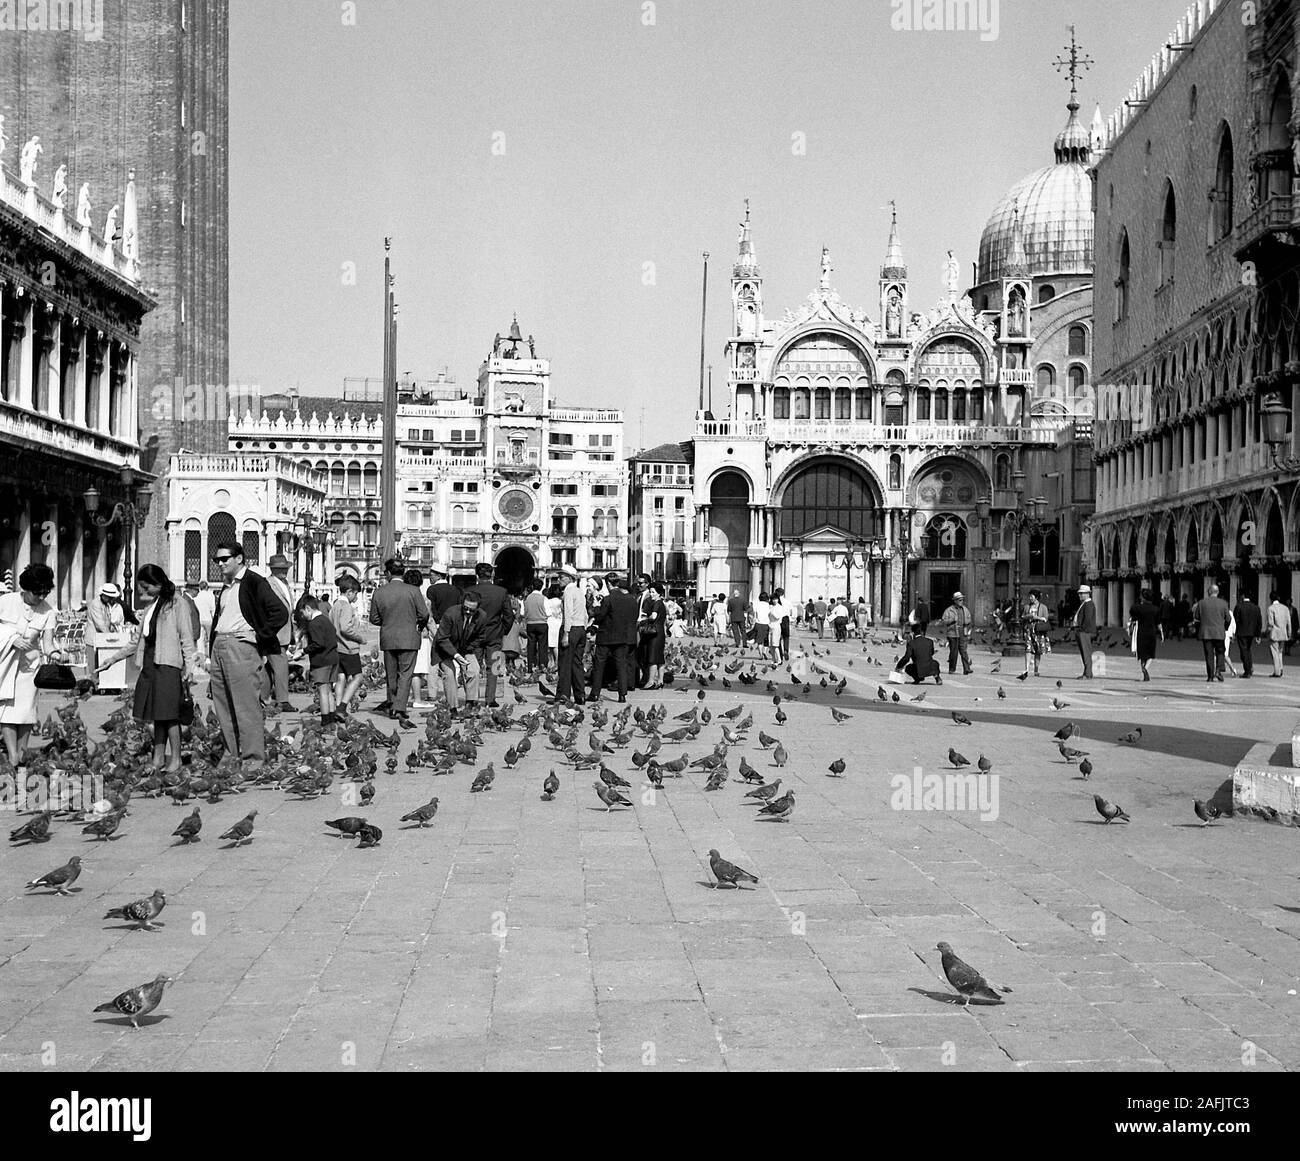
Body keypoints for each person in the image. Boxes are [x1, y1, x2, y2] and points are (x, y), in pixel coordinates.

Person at [95, 565, 200, 774]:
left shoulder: (177, 603)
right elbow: (137, 640)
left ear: (157, 583)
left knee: (170, 715)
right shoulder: (151, 605)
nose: (143, 592)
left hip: (168, 664)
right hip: (150, 663)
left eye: (146, 587)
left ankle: (176, 758)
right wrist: (112, 659)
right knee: (155, 714)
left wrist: (190, 666)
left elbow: (186, 637)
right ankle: (158, 757)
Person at [207, 542, 289, 768]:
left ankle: (253, 759)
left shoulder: (254, 582)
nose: (220, 563)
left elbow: (280, 612)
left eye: (225, 559)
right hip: (220, 646)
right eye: (217, 560)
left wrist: (259, 636)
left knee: (245, 706)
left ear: (240, 559)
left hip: (240, 647)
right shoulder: (226, 586)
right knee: (223, 705)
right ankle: (231, 755)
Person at [0, 564, 64, 769]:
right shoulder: (5, 602)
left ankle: (22, 752)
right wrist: (11, 638)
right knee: (7, 710)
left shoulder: (48, 611)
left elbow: (48, 643)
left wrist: (56, 654)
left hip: (29, 667)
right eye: (37, 593)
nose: (41, 597)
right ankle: (12, 755)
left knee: (26, 711)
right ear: (25, 589)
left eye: (46, 592)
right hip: (6, 664)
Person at [367, 556, 429, 728]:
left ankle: (392, 701)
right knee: (406, 673)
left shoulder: (380, 592)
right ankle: (399, 708)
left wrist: (388, 621)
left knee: (391, 674)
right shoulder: (413, 591)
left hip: (388, 637)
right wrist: (416, 624)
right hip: (410, 636)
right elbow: (424, 614)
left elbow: (373, 618)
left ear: (387, 573)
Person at [434, 588, 489, 714]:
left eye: (472, 610)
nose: (468, 611)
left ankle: (470, 705)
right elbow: (442, 638)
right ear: (462, 604)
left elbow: (481, 637)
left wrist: (467, 650)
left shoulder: (482, 616)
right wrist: (456, 655)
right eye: (465, 608)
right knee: (449, 674)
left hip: (466, 648)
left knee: (474, 671)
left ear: (477, 609)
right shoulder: (450, 614)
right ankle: (452, 708)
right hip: (445, 648)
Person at [466, 562, 509, 708]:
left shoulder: (469, 591)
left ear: (477, 575)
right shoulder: (501, 592)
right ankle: (490, 699)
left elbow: (464, 614)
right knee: (494, 667)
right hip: (495, 634)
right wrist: (503, 630)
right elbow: (508, 615)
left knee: (473, 667)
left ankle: (472, 699)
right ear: (492, 575)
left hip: (474, 635)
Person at [590, 572, 638, 702]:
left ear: (608, 583)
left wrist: (596, 608)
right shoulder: (631, 600)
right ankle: (622, 694)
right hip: (623, 636)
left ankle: (595, 693)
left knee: (599, 665)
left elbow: (599, 617)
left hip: (606, 637)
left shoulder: (608, 599)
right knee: (621, 665)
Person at [298, 596, 340, 724]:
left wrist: (303, 651)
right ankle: (332, 717)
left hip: (322, 661)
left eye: (302, 613)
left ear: (308, 609)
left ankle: (325, 719)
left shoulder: (314, 624)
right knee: (328, 691)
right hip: (333, 658)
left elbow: (318, 643)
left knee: (322, 691)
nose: (303, 616)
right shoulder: (326, 620)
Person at [262, 554, 296, 713]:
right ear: (273, 569)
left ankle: (262, 696)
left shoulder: (285, 583)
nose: (284, 571)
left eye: (285, 568)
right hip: (274, 633)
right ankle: (283, 700)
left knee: (270, 667)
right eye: (280, 569)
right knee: (281, 666)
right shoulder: (268, 584)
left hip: (285, 632)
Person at [330, 575, 366, 713]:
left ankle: (338, 705)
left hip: (337, 647)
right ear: (349, 592)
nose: (355, 597)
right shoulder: (346, 607)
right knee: (357, 677)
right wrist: (359, 638)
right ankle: (343, 706)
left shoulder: (335, 606)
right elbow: (345, 627)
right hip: (348, 647)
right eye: (355, 593)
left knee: (341, 677)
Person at [554, 565, 588, 705]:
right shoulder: (580, 591)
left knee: (565, 664)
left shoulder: (568, 592)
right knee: (577, 663)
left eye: (562, 577)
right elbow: (585, 613)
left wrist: (566, 633)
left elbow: (568, 613)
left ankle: (563, 695)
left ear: (569, 578)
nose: (559, 580)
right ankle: (580, 695)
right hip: (580, 629)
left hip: (571, 628)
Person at [403, 568, 434, 709]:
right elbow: (427, 619)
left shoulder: (400, 597)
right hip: (420, 636)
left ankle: (404, 697)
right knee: (417, 670)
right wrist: (436, 635)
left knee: (404, 669)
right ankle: (417, 699)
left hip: (401, 635)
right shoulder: (422, 599)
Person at [1192, 583, 1231, 683]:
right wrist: (1225, 628)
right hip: (1219, 632)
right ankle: (1218, 669)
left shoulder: (1202, 603)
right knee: (1220, 651)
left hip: (1206, 633)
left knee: (1209, 654)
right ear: (1217, 592)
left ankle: (1210, 676)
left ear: (1209, 592)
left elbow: (1196, 617)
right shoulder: (1223, 603)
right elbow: (1228, 618)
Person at [1127, 588, 1162, 683]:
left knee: (1142, 654)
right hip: (1151, 633)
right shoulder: (1156, 609)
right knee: (1150, 654)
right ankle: (1146, 668)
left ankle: (1143, 670)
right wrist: (1162, 634)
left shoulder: (1137, 608)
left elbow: (1132, 614)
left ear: (1142, 597)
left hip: (1140, 632)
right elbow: (1159, 624)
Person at [639, 580, 668, 689]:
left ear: (659, 593)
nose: (651, 594)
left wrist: (645, 618)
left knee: (652, 658)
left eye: (653, 592)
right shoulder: (662, 603)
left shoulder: (656, 603)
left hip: (653, 632)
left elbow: (654, 616)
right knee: (659, 658)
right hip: (660, 632)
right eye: (650, 592)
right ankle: (660, 681)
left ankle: (650, 681)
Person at [940, 591, 974, 675]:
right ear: (955, 600)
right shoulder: (949, 610)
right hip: (952, 633)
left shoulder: (965, 609)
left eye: (962, 600)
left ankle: (966, 668)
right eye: (959, 600)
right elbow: (944, 621)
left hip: (963, 632)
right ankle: (952, 668)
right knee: (953, 652)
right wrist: (952, 620)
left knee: (963, 651)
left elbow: (969, 618)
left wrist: (967, 621)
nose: (961, 601)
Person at [1233, 591, 1263, 679]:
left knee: (1244, 651)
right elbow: (1259, 622)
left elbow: (1235, 621)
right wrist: (1258, 634)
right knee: (1248, 650)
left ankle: (1247, 670)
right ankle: (1249, 667)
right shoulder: (1256, 607)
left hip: (1241, 632)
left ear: (1243, 596)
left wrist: (1233, 633)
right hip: (1252, 632)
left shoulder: (1239, 606)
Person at [523, 580, 549, 673]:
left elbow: (523, 612)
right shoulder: (543, 598)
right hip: (542, 623)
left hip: (530, 624)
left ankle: (530, 666)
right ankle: (542, 666)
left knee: (531, 646)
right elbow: (548, 613)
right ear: (541, 587)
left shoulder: (527, 598)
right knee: (543, 646)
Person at [1022, 589, 1050, 677]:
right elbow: (1022, 616)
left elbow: (1046, 618)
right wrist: (1029, 616)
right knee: (1028, 649)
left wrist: (1037, 617)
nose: (1030, 598)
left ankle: (1036, 669)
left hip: (1039, 630)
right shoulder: (1027, 607)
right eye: (1029, 596)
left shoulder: (1043, 607)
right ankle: (1026, 668)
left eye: (1031, 596)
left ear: (1036, 597)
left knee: (1038, 650)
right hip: (1029, 630)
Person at [1073, 585, 1097, 678]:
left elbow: (1087, 619)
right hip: (1082, 631)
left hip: (1085, 632)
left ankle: (1088, 673)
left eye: (1081, 594)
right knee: (1084, 652)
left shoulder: (1088, 604)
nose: (1080, 595)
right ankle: (1086, 672)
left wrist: (1081, 629)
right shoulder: (1085, 603)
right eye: (1079, 594)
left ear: (1087, 594)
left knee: (1086, 653)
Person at [1267, 590, 1289, 677]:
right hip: (1283, 633)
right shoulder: (1285, 608)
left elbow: (1270, 623)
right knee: (1280, 652)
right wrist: (1289, 633)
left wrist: (1267, 632)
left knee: (1274, 653)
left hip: (1275, 634)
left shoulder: (1271, 608)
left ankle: (1277, 671)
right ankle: (1281, 668)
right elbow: (1289, 622)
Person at [544, 581, 564, 670]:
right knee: (556, 644)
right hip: (558, 622)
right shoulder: (560, 601)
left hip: (550, 622)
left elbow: (547, 613)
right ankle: (557, 662)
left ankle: (551, 662)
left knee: (550, 645)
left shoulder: (548, 601)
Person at [752, 590, 771, 656]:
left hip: (758, 623)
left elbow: (755, 614)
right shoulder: (768, 605)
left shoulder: (757, 605)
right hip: (766, 623)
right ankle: (765, 651)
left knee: (759, 640)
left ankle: (760, 654)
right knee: (766, 639)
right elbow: (769, 615)